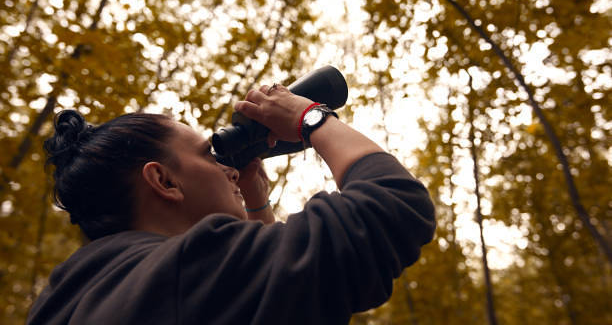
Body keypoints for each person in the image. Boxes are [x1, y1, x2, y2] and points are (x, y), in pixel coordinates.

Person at [27, 84, 436, 325]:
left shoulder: (67, 299)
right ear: (164, 180)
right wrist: (310, 118)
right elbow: (394, 205)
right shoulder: (181, 272)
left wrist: (254, 201)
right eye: (209, 155)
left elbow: (263, 298)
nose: (230, 171)